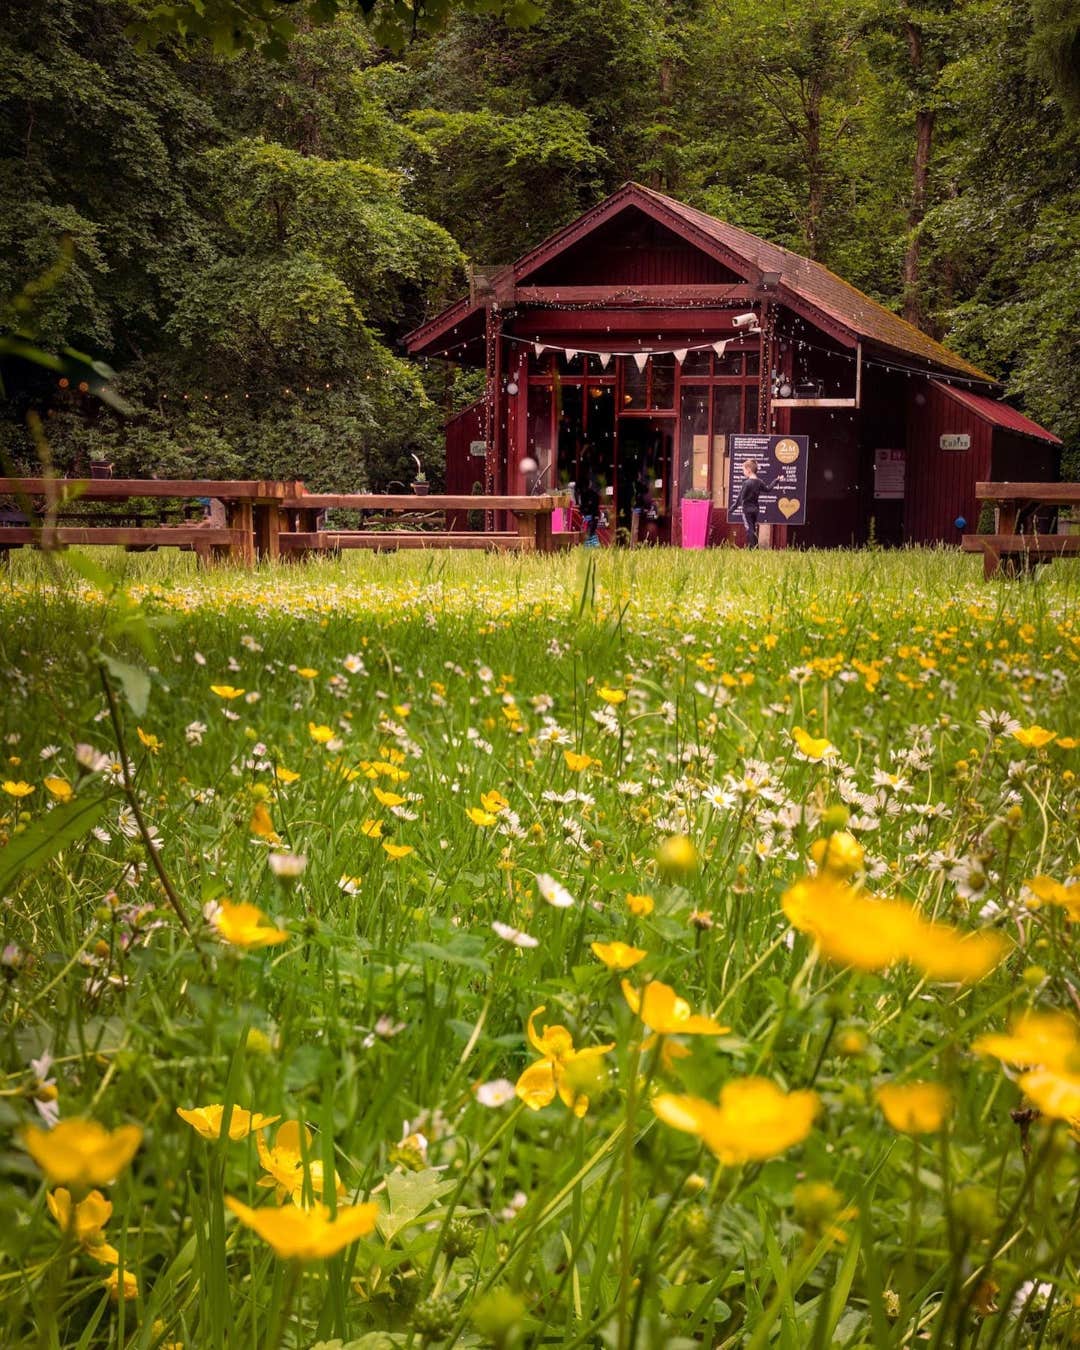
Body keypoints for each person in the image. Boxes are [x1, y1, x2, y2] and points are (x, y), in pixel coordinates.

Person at [733, 458, 778, 550]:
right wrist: (776, 480)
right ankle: (752, 547)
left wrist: (733, 507)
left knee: (749, 528)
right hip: (756, 509)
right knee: (753, 527)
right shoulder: (759, 482)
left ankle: (753, 548)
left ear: (749, 470)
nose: (743, 472)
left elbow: (741, 497)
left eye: (744, 470)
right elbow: (768, 489)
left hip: (747, 509)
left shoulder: (746, 483)